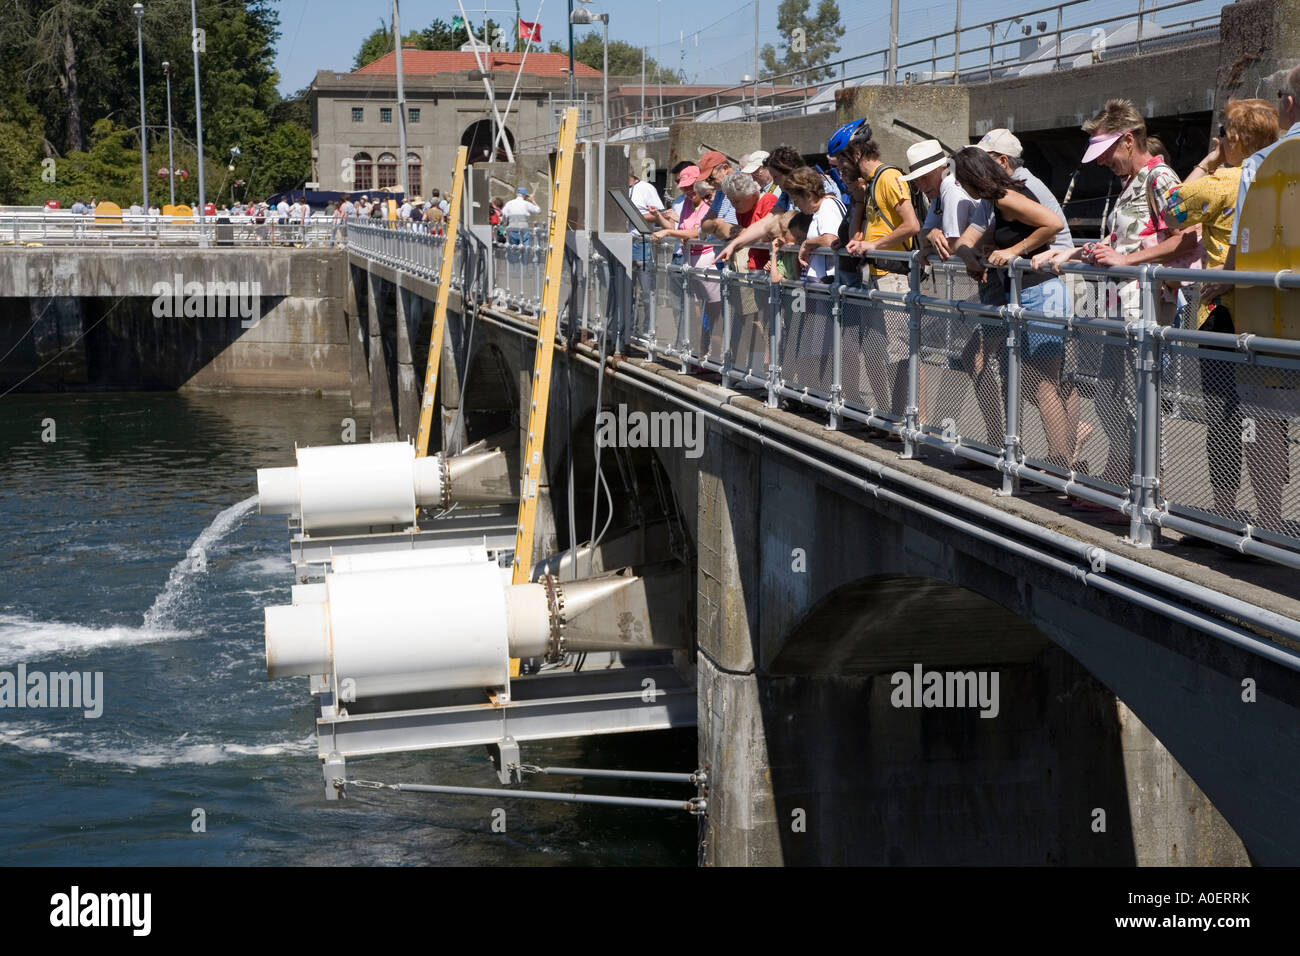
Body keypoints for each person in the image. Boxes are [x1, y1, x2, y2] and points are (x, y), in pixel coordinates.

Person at [1034, 98, 1199, 493]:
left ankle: (1142, 484)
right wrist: (1073, 252)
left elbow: (1187, 237)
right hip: (1119, 302)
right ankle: (1125, 476)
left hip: (1142, 304)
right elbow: (1119, 241)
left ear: (1128, 141)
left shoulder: (1160, 178)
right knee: (1111, 393)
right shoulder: (1131, 184)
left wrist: (1130, 260)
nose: (1104, 162)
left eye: (1107, 153)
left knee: (1134, 394)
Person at [1164, 98, 1281, 524]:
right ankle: (1270, 517)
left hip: (1220, 310)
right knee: (1270, 415)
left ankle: (1225, 512)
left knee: (1224, 414)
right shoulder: (1280, 173)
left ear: (1232, 138)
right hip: (1271, 308)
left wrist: (1208, 160)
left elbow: (1172, 210)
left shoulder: (1223, 182)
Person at [952, 147, 1081, 472]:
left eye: (963, 181)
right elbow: (970, 240)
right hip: (1026, 293)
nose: (963, 189)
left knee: (1043, 383)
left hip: (1041, 291)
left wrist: (1013, 250)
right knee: (1031, 380)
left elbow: (1051, 224)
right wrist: (981, 252)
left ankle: (1059, 464)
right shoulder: (995, 202)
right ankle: (1051, 460)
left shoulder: (1008, 196)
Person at [841, 131, 921, 421]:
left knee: (900, 354)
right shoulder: (873, 185)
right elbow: (858, 233)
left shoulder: (888, 177)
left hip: (894, 275)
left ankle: (905, 420)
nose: (841, 168)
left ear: (857, 154)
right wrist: (860, 204)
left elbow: (912, 225)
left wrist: (873, 245)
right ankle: (896, 416)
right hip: (878, 275)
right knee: (887, 352)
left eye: (843, 160)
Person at [652, 170, 719, 353]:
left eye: (691, 187)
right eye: (685, 188)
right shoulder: (688, 205)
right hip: (691, 260)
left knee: (713, 311)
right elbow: (683, 230)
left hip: (707, 259)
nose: (689, 191)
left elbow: (696, 232)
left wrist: (668, 232)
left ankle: (713, 356)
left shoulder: (708, 204)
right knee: (695, 311)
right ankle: (698, 352)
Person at [720, 170, 781, 371]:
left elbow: (769, 233)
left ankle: (770, 370)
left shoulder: (768, 201)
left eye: (736, 201)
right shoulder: (742, 208)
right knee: (756, 322)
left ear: (749, 195)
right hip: (753, 267)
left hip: (769, 269)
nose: (733, 206)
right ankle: (755, 370)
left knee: (770, 324)